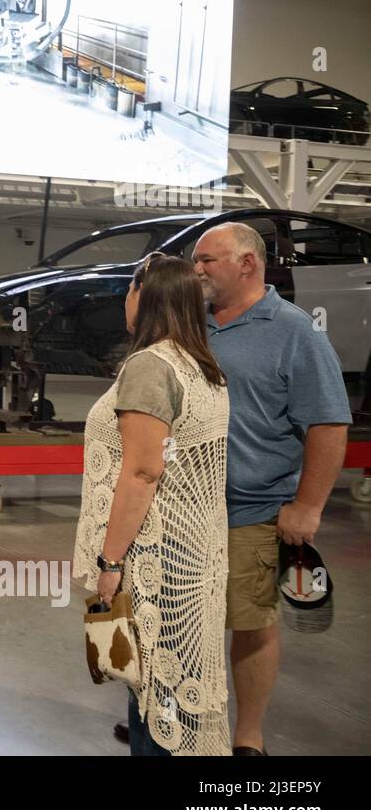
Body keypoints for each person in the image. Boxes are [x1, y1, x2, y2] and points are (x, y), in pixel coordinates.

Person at [191, 221, 351, 755]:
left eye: (206, 260)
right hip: (183, 511)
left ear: (246, 263)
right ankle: (177, 719)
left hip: (253, 510)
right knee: (181, 622)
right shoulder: (192, 324)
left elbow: (328, 423)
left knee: (250, 624)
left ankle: (248, 738)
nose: (197, 270)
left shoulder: (293, 330)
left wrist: (307, 506)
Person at [74, 253, 232, 755]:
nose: (125, 299)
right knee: (170, 689)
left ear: (149, 298)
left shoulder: (151, 366)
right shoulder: (200, 365)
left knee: (156, 697)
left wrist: (111, 561)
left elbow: (142, 471)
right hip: (193, 556)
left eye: (130, 289)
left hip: (154, 559)